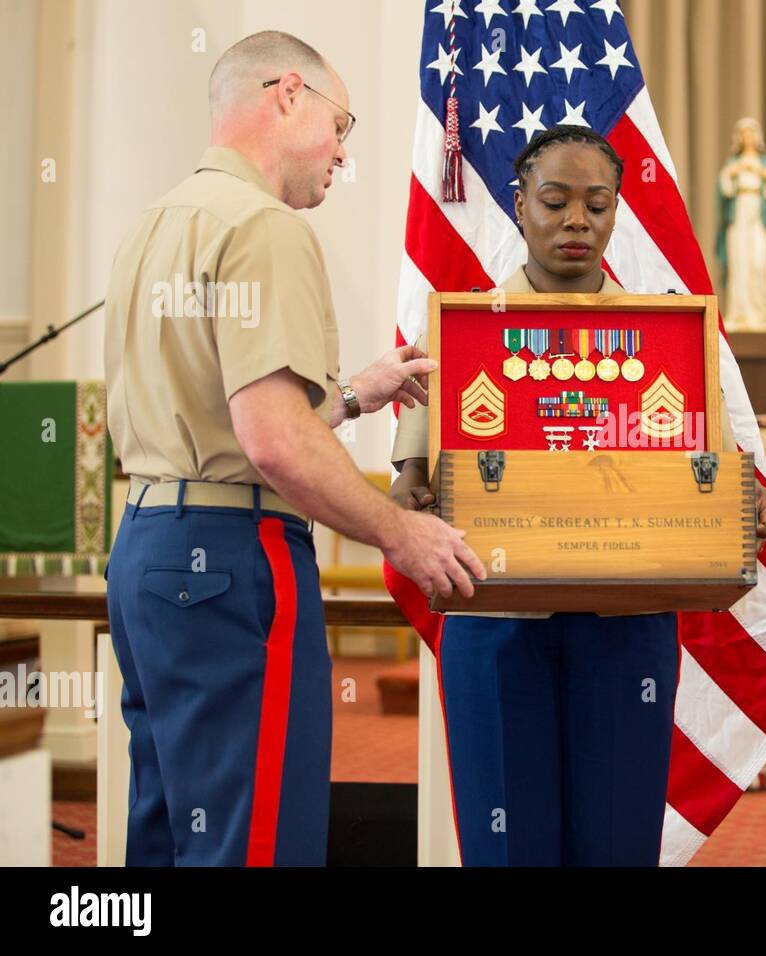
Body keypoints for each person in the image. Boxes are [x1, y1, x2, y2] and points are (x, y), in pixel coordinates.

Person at [103, 30, 484, 866]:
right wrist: (399, 530)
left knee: (170, 831)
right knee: (254, 840)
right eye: (341, 126)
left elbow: (217, 412)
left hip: (147, 551)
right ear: (286, 94)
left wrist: (350, 394)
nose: (343, 156)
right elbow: (271, 442)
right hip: (233, 558)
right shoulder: (264, 228)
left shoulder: (155, 224)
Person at [390, 125, 766, 865]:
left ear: (616, 211)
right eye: (556, 201)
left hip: (626, 617)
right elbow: (413, 487)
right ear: (518, 204)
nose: (577, 221)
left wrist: (744, 506)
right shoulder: (456, 334)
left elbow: (721, 476)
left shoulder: (672, 336)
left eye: (597, 205)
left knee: (615, 837)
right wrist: (411, 494)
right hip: (496, 615)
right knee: (509, 841)